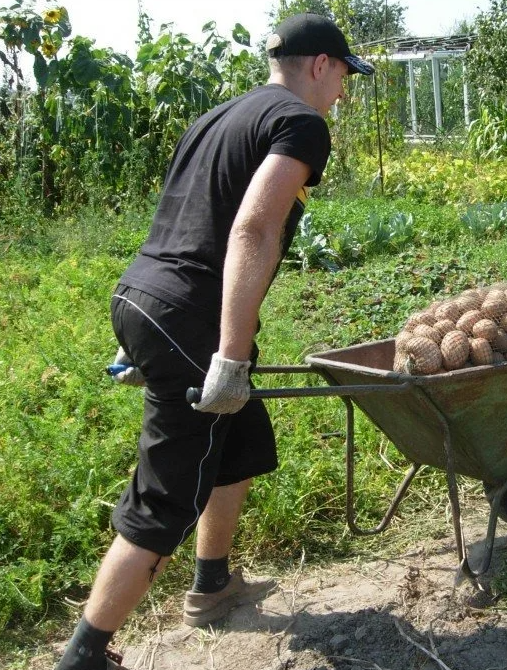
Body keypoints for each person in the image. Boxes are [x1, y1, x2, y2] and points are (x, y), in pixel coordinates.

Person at [54, 14, 374, 670]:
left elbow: (184, 215)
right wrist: (227, 355)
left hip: (145, 295)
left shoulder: (219, 115)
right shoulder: (301, 124)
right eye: (344, 75)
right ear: (321, 64)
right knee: (166, 494)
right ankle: (86, 652)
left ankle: (211, 585)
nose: (343, 90)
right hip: (193, 319)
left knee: (240, 439)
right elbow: (254, 228)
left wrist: (153, 338)